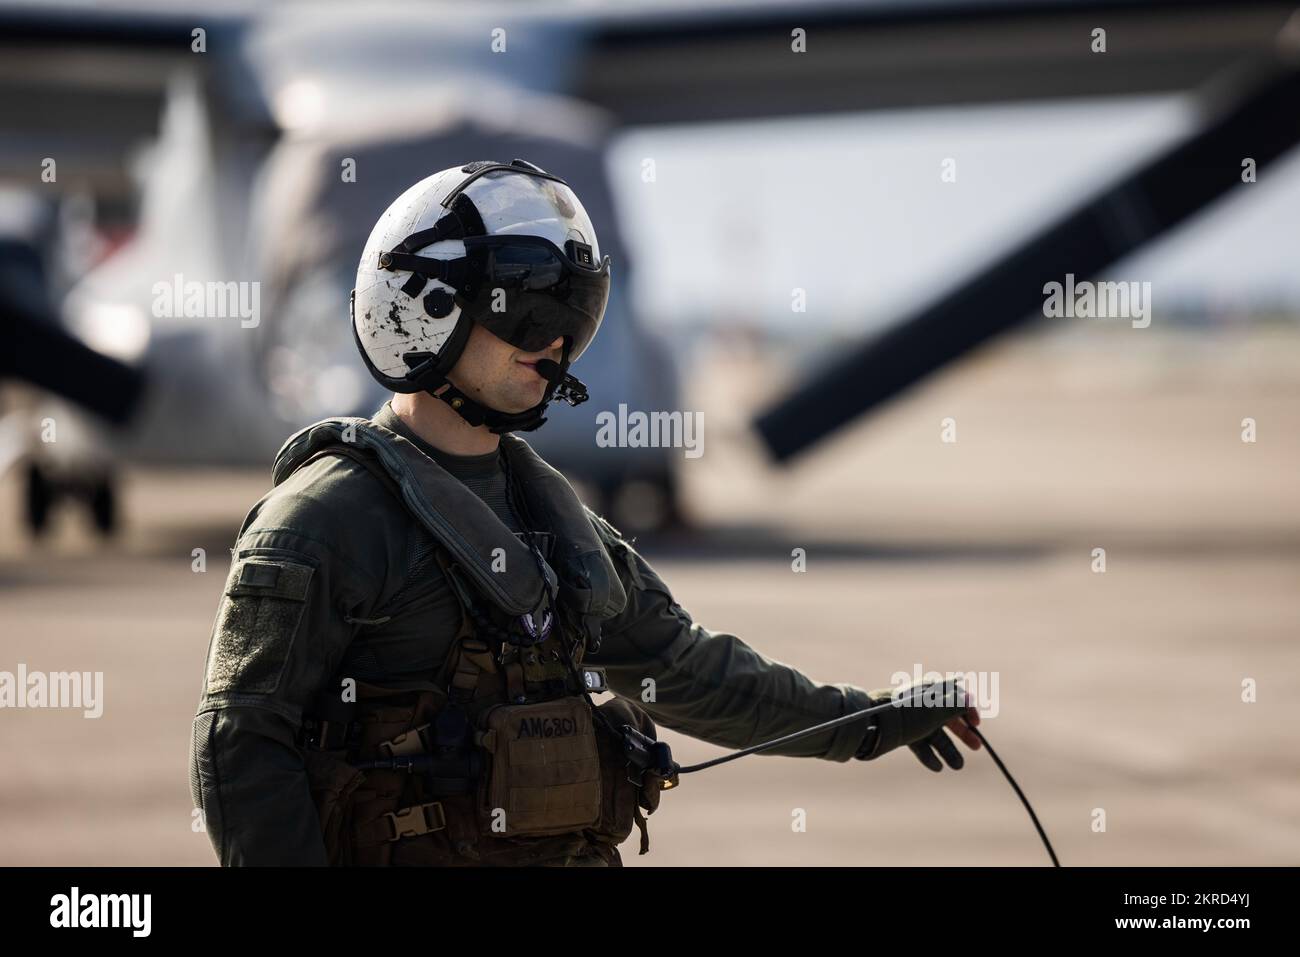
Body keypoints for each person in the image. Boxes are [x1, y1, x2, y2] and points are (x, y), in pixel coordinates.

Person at [188, 159, 980, 867]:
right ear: (427, 308)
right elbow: (240, 744)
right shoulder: (328, 518)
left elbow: (690, 672)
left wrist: (870, 720)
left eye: (572, 316)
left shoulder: (558, 525)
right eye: (528, 316)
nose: (557, 342)